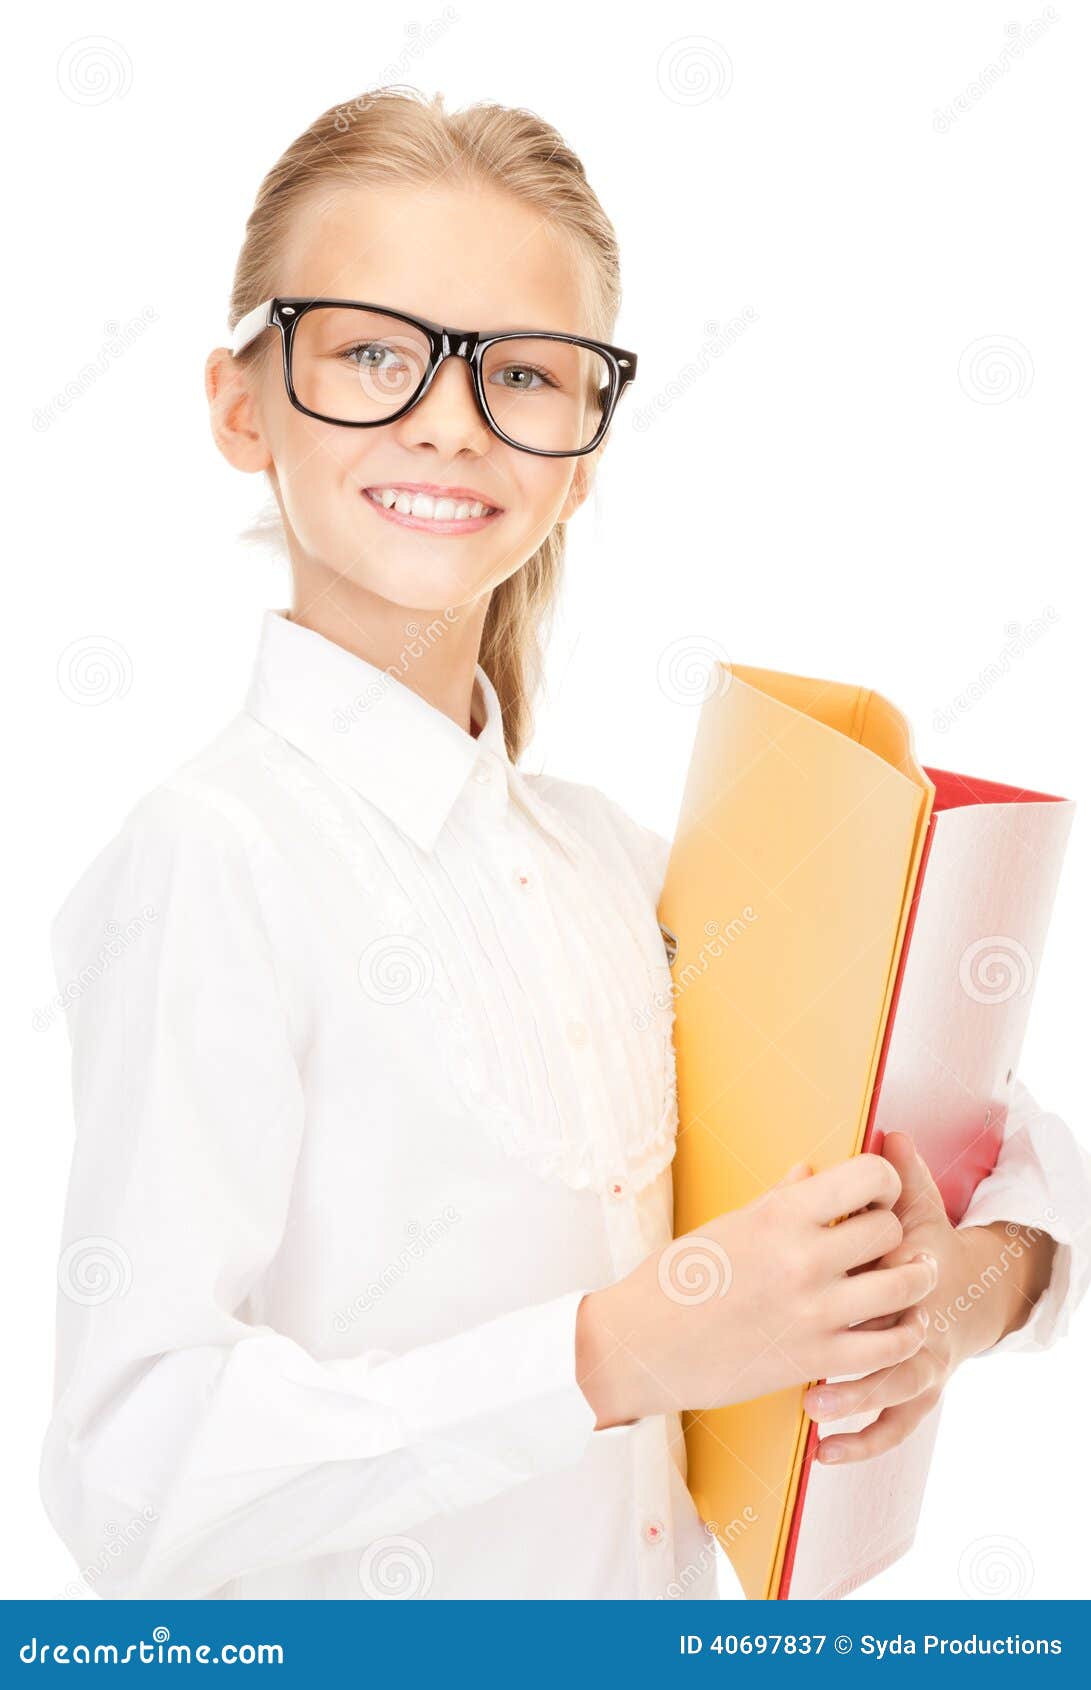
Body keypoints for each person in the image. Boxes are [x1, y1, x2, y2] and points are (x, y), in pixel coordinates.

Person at [39, 87, 1091, 1602]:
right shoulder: (216, 857)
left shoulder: (615, 869)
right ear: (241, 403)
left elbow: (1012, 1156)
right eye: (371, 351)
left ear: (585, 445)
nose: (450, 418)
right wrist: (615, 1351)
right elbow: (131, 1473)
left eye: (523, 373)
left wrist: (945, 1301)